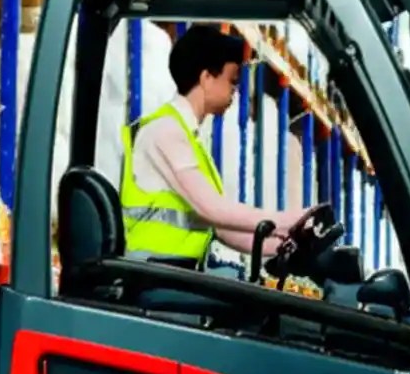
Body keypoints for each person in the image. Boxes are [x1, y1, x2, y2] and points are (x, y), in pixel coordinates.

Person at [120, 24, 312, 266]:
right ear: (206, 78)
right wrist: (289, 221)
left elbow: (221, 229)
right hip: (153, 274)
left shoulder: (189, 139)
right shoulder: (165, 132)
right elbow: (213, 210)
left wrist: (283, 246)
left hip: (174, 273)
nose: (235, 90)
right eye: (232, 80)